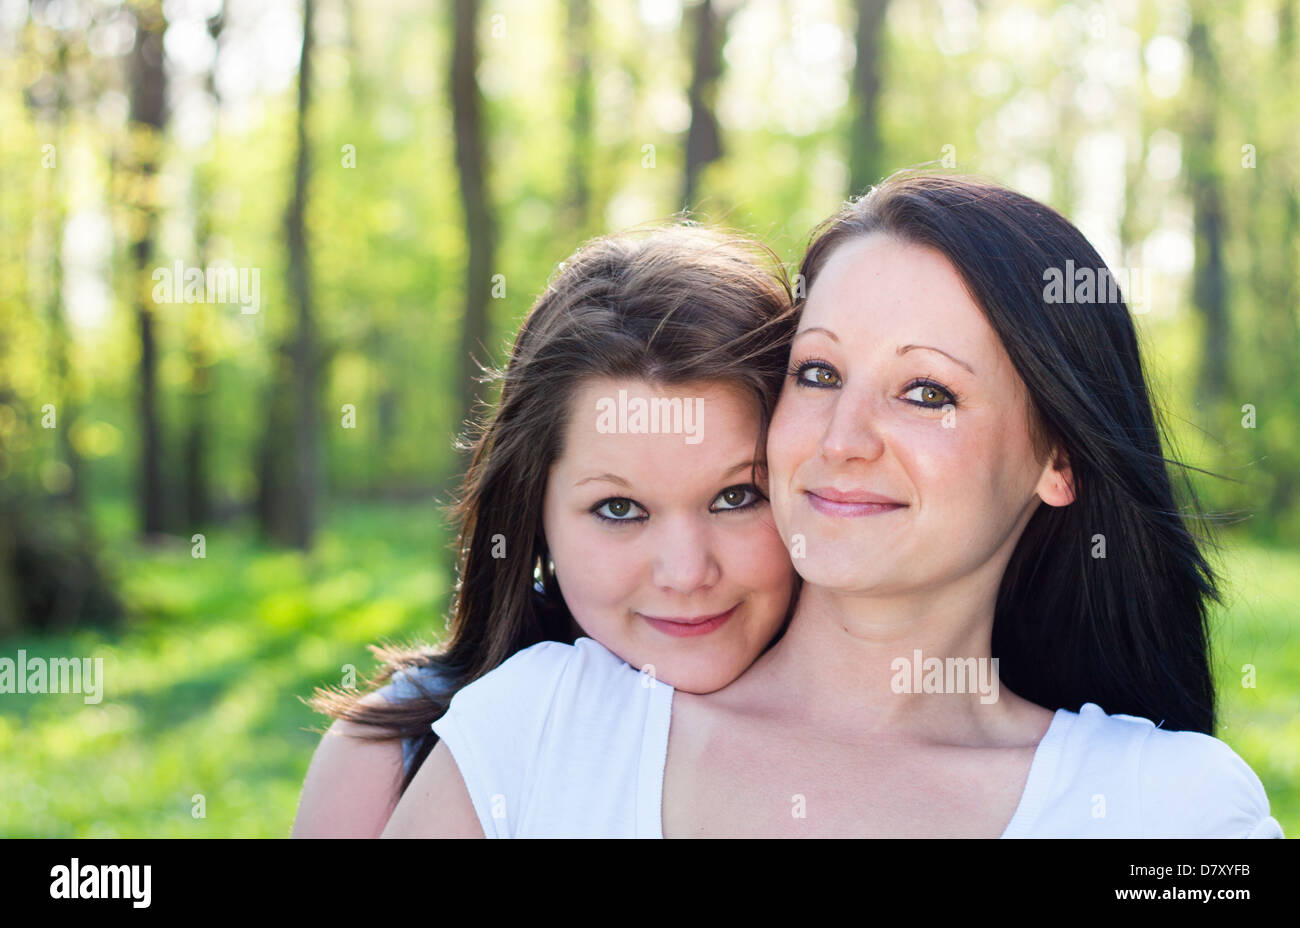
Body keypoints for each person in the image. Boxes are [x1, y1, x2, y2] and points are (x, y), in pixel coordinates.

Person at [380, 173, 1283, 838]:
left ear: (1058, 458)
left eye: (926, 391)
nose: (843, 436)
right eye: (819, 373)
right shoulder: (542, 728)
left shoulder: (1171, 810)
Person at [291, 223, 800, 837]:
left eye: (737, 496)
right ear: (534, 515)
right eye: (619, 509)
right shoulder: (387, 761)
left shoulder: (892, 734)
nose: (687, 571)